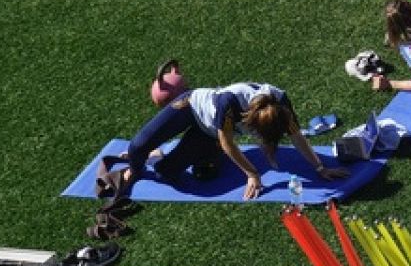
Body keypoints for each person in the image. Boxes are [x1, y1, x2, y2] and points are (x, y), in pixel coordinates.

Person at [115, 82, 347, 200]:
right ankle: (140, 163)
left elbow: (297, 136)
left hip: (207, 132)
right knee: (136, 147)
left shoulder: (281, 106)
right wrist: (252, 174)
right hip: (191, 107)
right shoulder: (229, 104)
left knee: (168, 172)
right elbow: (227, 141)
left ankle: (166, 156)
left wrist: (320, 167)